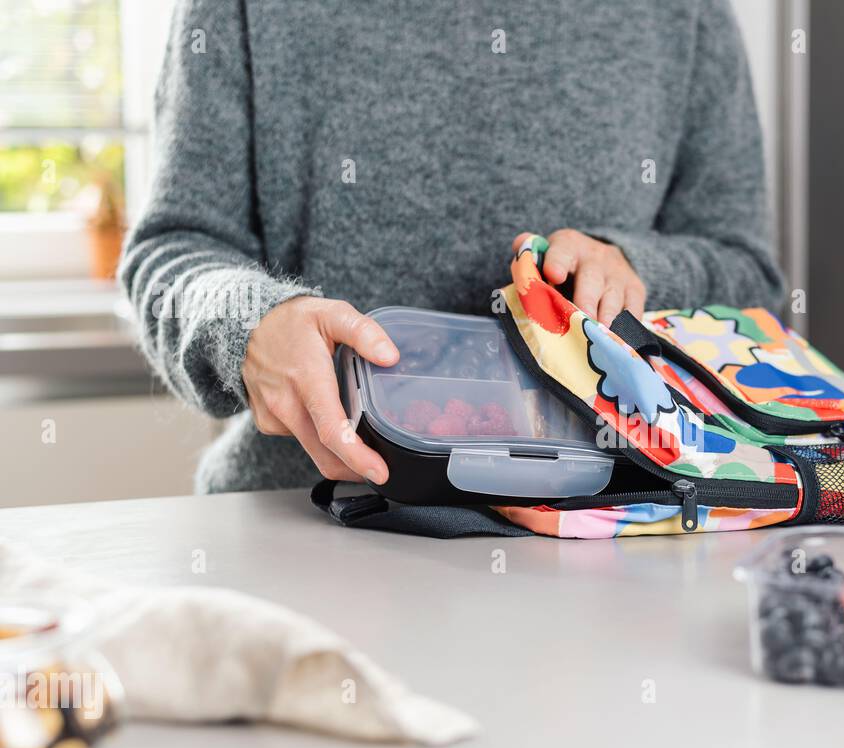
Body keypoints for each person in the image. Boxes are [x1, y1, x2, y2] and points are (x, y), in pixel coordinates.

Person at [120, 0, 784, 492]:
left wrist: (637, 270)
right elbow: (174, 251)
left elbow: (747, 277)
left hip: (614, 540)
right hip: (305, 526)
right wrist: (250, 326)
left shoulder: (685, 14)